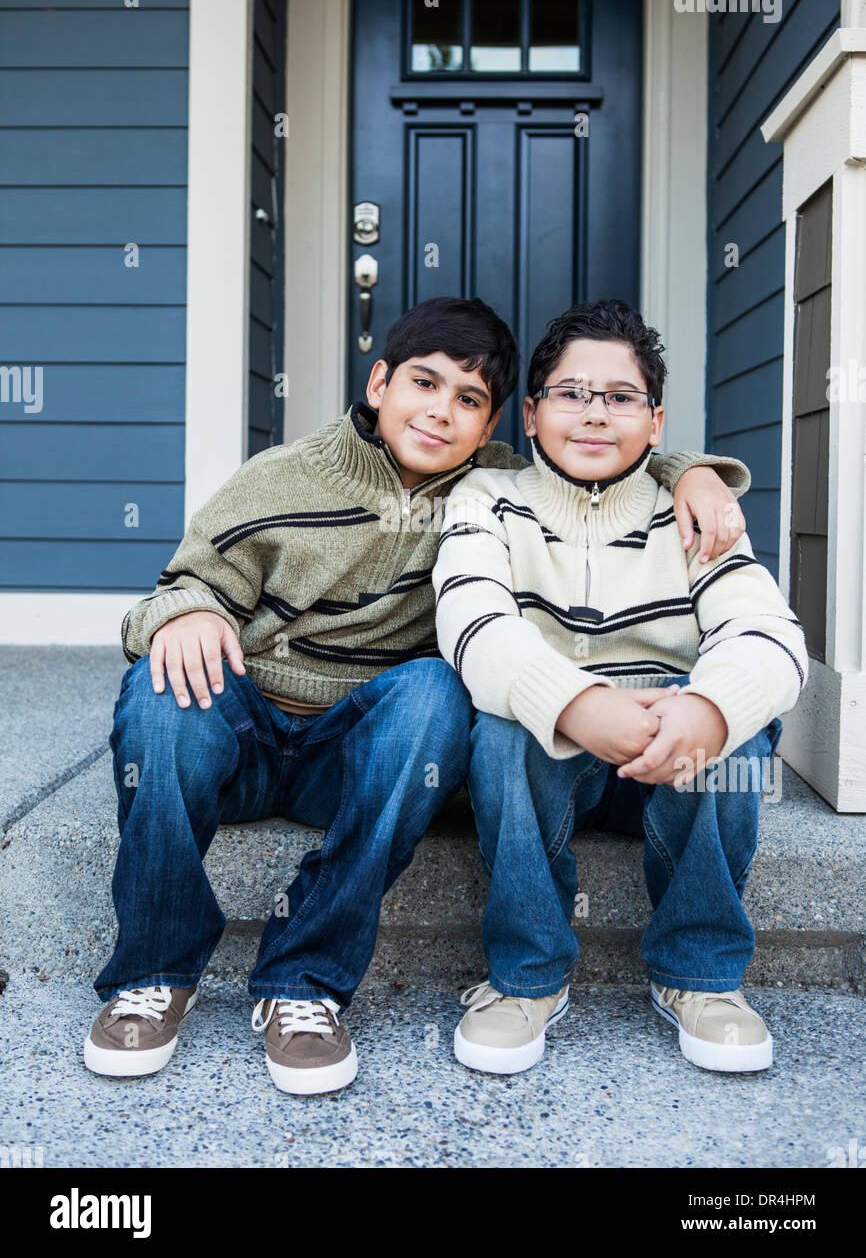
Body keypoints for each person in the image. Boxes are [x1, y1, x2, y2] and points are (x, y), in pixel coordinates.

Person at [84, 295, 750, 1094]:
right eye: (423, 384)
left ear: (499, 424)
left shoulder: (488, 484)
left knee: (437, 690)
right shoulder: (276, 480)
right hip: (245, 734)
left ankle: (304, 982)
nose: (440, 413)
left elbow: (602, 454)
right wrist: (184, 611)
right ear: (378, 384)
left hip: (361, 749)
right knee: (158, 695)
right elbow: (169, 591)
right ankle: (149, 973)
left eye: (469, 401)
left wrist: (695, 473)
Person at [433, 298, 807, 1076]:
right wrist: (575, 703)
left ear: (656, 423)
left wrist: (707, 708)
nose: (595, 414)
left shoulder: (693, 515)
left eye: (620, 397)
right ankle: (526, 977)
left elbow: (769, 634)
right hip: (546, 755)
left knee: (740, 724)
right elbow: (472, 621)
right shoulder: (486, 502)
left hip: (665, 757)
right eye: (571, 394)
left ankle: (699, 974)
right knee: (503, 722)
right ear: (530, 416)